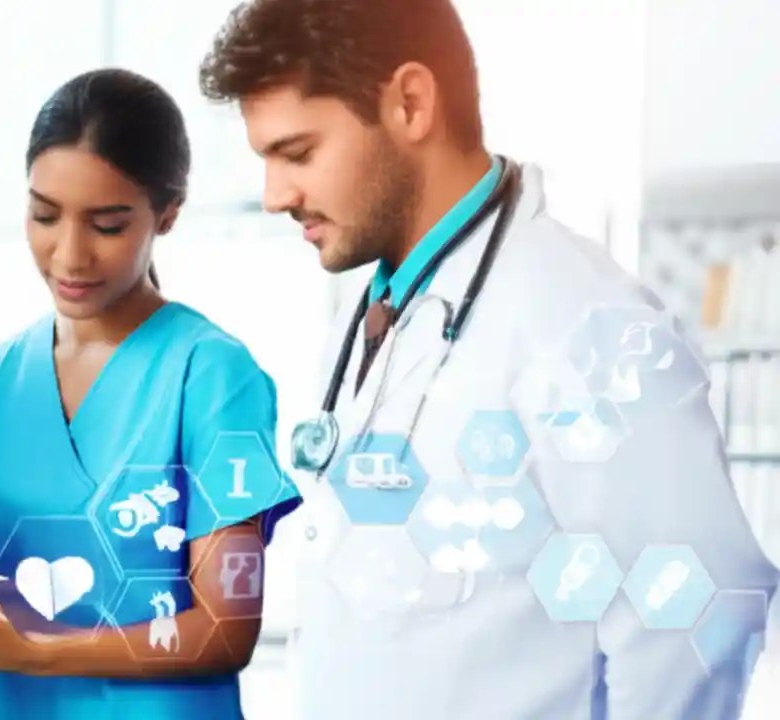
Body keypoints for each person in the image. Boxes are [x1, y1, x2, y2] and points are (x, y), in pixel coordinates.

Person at [198, 0, 779, 718]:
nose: (274, 196)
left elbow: (702, 607)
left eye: (297, 153)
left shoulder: (579, 323)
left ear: (410, 104)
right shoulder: (384, 312)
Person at [0, 68, 300, 719]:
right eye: (45, 215)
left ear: (168, 214)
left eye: (107, 225)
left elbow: (227, 628)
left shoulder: (213, 375)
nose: (69, 255)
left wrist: (36, 650)